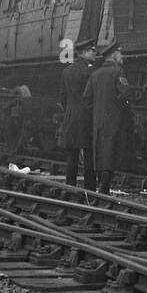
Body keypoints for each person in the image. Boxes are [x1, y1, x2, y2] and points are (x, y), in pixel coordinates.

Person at [82, 41, 132, 194]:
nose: (122, 56)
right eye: (120, 53)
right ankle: (104, 187)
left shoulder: (95, 74)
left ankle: (102, 186)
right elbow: (125, 94)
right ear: (114, 54)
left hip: (98, 119)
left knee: (101, 151)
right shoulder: (118, 71)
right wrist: (119, 108)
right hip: (114, 119)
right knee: (111, 151)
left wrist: (98, 110)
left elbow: (86, 99)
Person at [58, 39, 97, 188]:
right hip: (88, 116)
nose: (94, 53)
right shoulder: (92, 71)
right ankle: (90, 188)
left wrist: (69, 109)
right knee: (89, 155)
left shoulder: (67, 71)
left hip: (71, 116)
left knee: (72, 156)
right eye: (92, 51)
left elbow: (62, 96)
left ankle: (70, 187)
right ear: (84, 52)